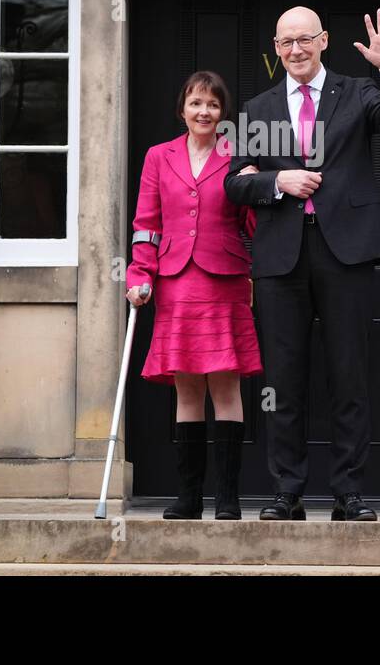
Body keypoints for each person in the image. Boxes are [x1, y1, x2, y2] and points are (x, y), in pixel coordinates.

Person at [223, 6, 380, 521]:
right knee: (283, 381)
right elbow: (234, 182)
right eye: (286, 43)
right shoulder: (258, 107)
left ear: (324, 40)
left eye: (305, 40)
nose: (295, 51)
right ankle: (287, 493)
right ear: (276, 47)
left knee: (349, 375)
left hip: (345, 250)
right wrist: (276, 181)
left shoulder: (356, 93)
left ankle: (348, 493)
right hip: (282, 256)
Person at [126, 70, 262, 520]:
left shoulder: (238, 155)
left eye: (213, 105)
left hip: (225, 279)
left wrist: (258, 187)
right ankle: (188, 498)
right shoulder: (157, 157)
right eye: (196, 103)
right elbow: (147, 222)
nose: (204, 112)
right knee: (186, 389)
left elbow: (253, 225)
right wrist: (138, 273)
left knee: (225, 385)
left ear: (223, 113)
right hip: (176, 280)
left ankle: (227, 499)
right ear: (182, 108)